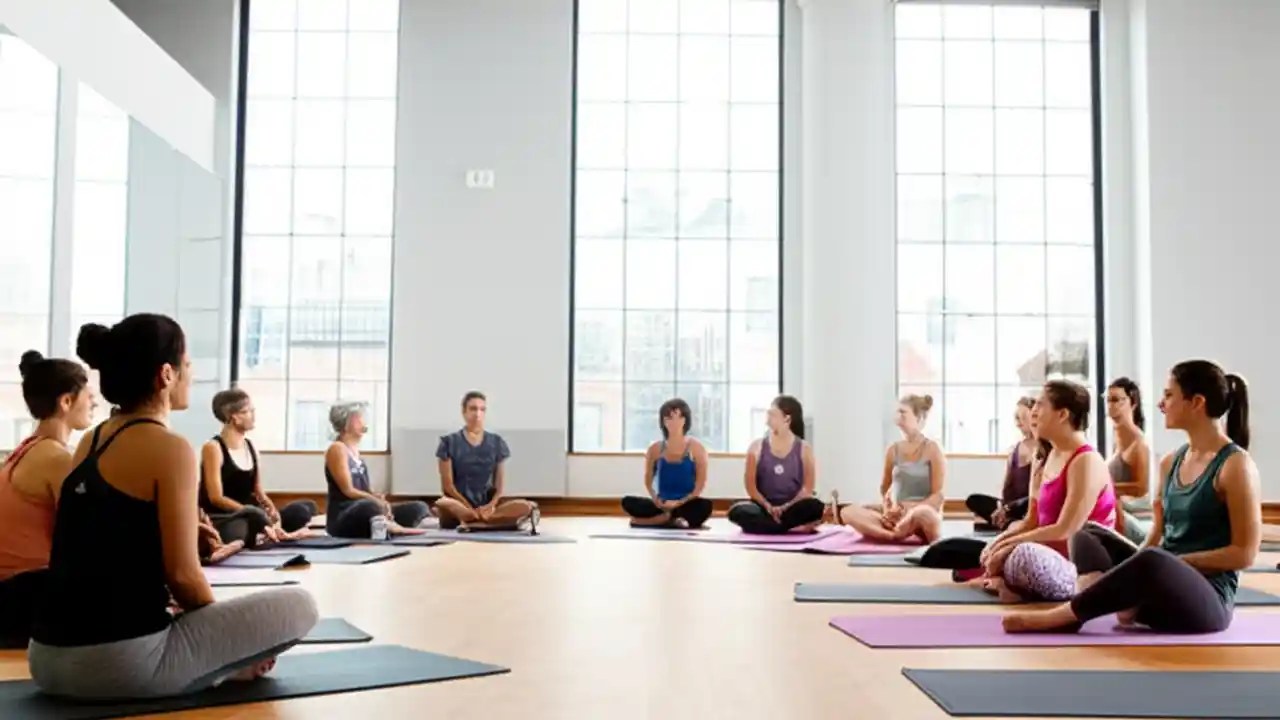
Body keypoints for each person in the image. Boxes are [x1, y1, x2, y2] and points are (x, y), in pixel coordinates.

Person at [28, 315, 317, 699]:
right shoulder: (172, 448)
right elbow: (183, 577)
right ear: (167, 374)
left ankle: (210, 664)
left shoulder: (90, 441)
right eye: (188, 363)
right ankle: (220, 667)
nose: (191, 373)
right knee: (301, 605)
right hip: (117, 665)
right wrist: (222, 639)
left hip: (45, 659)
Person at [1005, 361, 1260, 634]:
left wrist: (1179, 562)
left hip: (1207, 601)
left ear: (1197, 402)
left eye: (1169, 395)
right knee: (1086, 533)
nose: (1161, 403)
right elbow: (1156, 534)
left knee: (1155, 559)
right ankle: (1117, 600)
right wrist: (1130, 569)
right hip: (1161, 582)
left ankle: (1069, 615)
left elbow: (1244, 554)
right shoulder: (1170, 462)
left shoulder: (1235, 466)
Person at [977, 380, 1117, 602]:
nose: (1033, 411)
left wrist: (1011, 546)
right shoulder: (1047, 456)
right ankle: (1015, 584)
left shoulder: (1086, 460)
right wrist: (1001, 541)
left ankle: (1017, 585)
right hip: (1048, 553)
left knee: (1024, 556)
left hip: (1081, 568)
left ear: (1062, 414)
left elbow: (1065, 530)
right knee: (996, 548)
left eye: (1040, 405)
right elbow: (1032, 520)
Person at [0, 352, 94, 646]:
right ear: (66, 402)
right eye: (89, 396)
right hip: (24, 599)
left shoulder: (25, 450)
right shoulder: (57, 459)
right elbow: (89, 536)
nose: (95, 403)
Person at [200, 388, 317, 547]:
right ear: (233, 416)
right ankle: (265, 533)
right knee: (241, 529)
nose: (253, 415)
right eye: (248, 411)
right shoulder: (213, 448)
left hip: (253, 514)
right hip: (227, 517)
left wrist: (272, 512)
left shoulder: (251, 446)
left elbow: (258, 490)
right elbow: (216, 497)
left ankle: (268, 531)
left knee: (305, 508)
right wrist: (251, 512)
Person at [836, 395, 946, 544]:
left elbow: (938, 496)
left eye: (903, 412)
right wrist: (890, 509)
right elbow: (885, 489)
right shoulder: (893, 450)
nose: (898, 416)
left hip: (922, 513)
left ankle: (895, 531)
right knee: (848, 511)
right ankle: (892, 535)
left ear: (919, 418)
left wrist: (910, 509)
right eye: (897, 411)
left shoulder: (933, 449)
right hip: (898, 514)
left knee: (923, 514)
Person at [434, 391, 538, 532]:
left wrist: (489, 507)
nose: (477, 414)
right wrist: (470, 509)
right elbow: (448, 487)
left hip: (487, 508)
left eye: (482, 409)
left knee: (527, 506)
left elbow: (499, 488)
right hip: (459, 507)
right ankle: (486, 522)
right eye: (472, 409)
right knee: (443, 503)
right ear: (464, 412)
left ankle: (474, 524)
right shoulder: (448, 442)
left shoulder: (496, 442)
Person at [325, 402, 430, 538]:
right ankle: (388, 526)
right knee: (368, 505)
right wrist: (374, 501)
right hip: (344, 516)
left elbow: (365, 491)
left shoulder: (357, 453)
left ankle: (385, 523)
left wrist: (380, 500)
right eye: (358, 417)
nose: (363, 421)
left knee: (418, 507)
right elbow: (348, 490)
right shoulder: (337, 449)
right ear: (346, 421)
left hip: (366, 509)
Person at [727, 395, 824, 534]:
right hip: (763, 508)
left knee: (815, 506)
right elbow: (751, 487)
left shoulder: (804, 449)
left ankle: (771, 527)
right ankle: (782, 527)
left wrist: (785, 507)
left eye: (772, 414)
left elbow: (807, 489)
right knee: (737, 511)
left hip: (792, 508)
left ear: (787, 419)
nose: (767, 418)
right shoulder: (756, 447)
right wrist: (768, 506)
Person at [621, 398, 713, 529]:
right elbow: (648, 481)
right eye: (669, 418)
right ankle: (670, 518)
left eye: (679, 418)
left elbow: (699, 486)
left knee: (704, 506)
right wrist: (656, 500)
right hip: (661, 503)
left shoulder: (697, 448)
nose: (674, 423)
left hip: (685, 503)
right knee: (628, 502)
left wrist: (678, 503)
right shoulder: (655, 449)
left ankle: (660, 519)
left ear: (685, 421)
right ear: (663, 422)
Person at [966, 397, 1037, 532]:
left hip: (1029, 506)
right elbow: (1007, 487)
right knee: (974, 500)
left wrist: (1009, 508)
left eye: (1023, 417)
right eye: (1017, 418)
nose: (1019, 422)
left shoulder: (1044, 449)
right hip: (1010, 508)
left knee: (1027, 506)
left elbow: (1038, 495)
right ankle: (1006, 522)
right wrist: (1002, 507)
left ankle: (1008, 524)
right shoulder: (1015, 450)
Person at [1106, 377, 1153, 544]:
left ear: (1132, 403)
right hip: (1120, 510)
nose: (1111, 405)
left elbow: (1141, 488)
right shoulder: (1116, 438)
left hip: (1136, 516)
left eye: (1116, 400)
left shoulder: (1139, 443)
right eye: (1108, 400)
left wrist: (1106, 488)